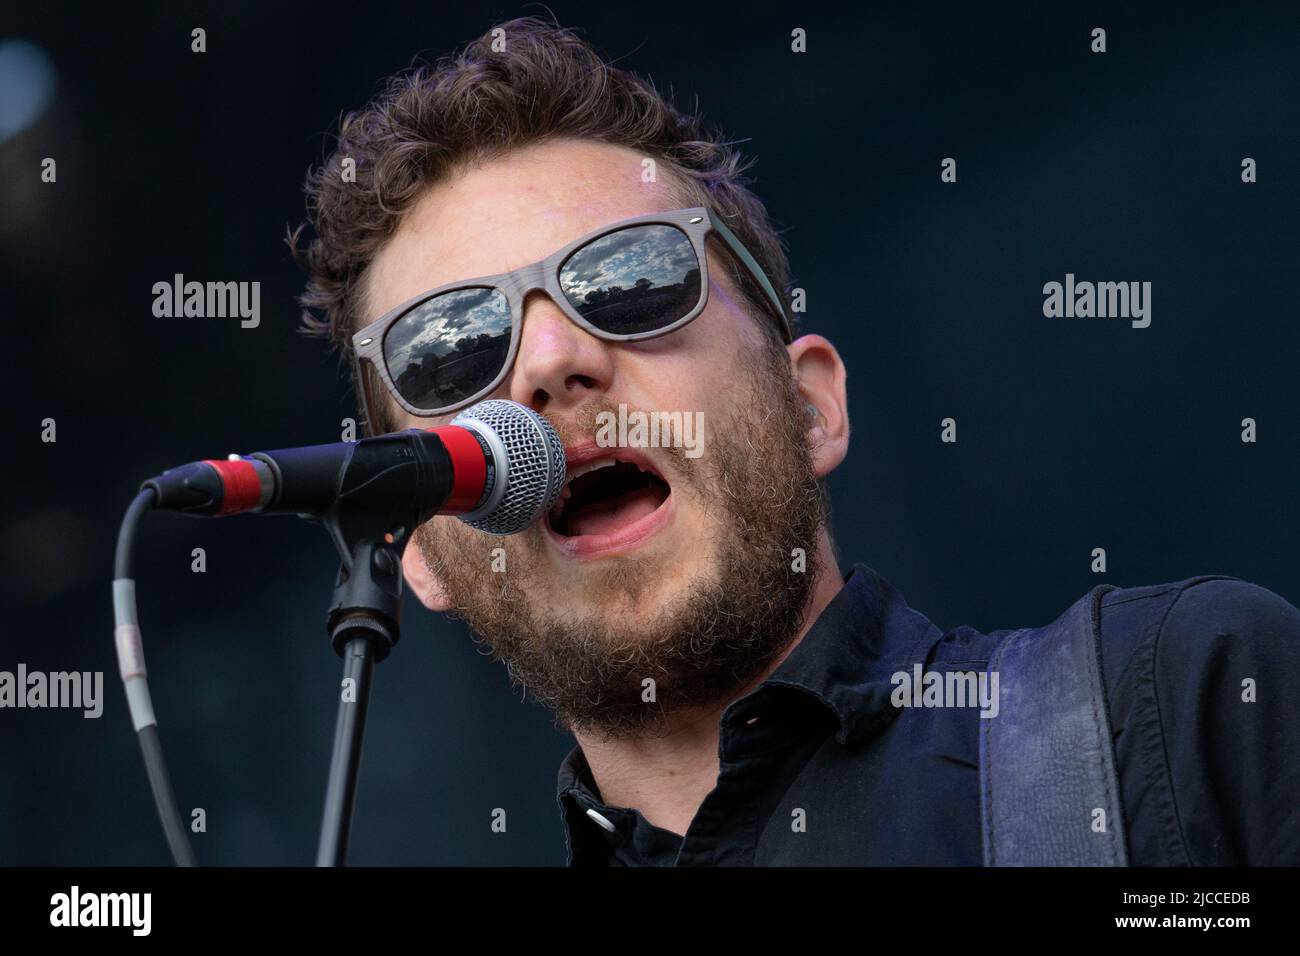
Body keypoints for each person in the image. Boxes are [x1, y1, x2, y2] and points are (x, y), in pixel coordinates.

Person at [290, 17, 1300, 866]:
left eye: (628, 278)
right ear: (421, 549)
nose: (550, 360)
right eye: (449, 349)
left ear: (810, 402)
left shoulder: (1185, 705)